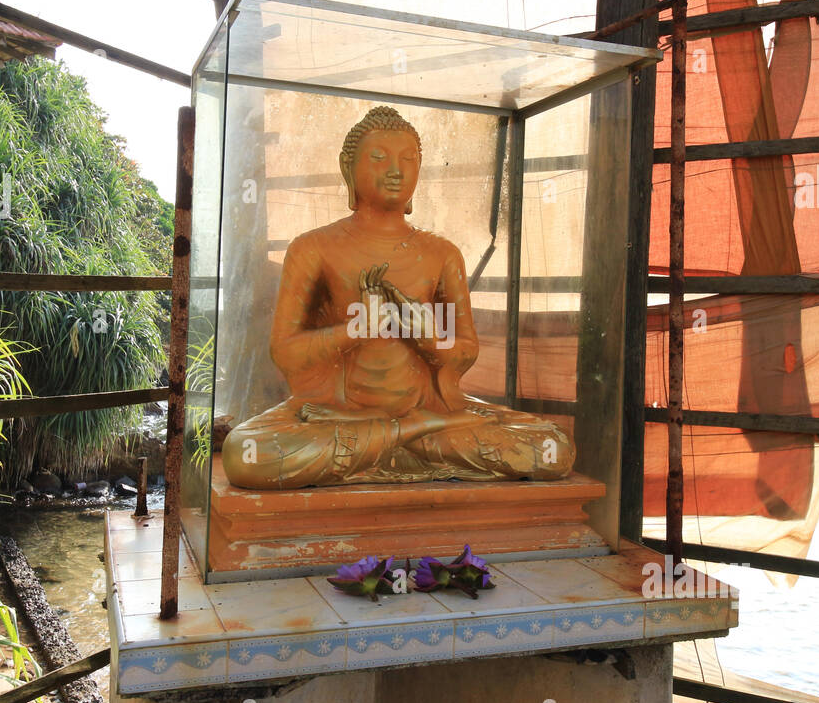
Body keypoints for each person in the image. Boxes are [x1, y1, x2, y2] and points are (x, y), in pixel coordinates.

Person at [221, 106, 574, 489]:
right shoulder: (313, 249)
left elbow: (467, 349)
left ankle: (399, 435)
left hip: (426, 409)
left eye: (409, 160)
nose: (396, 170)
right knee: (246, 453)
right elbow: (285, 351)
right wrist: (355, 331)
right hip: (338, 412)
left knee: (552, 446)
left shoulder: (442, 253)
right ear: (348, 168)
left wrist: (428, 339)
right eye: (378, 158)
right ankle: (414, 435)